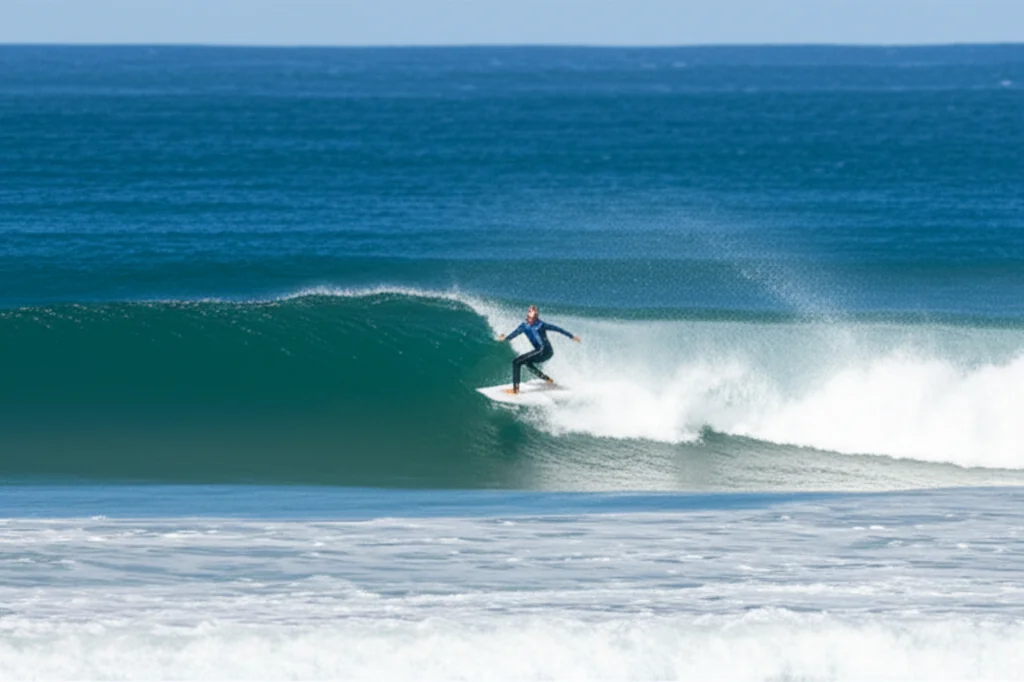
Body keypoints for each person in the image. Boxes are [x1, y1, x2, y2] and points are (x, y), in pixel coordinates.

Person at [498, 305, 580, 394]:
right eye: (529, 310)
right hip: (540, 351)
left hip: (546, 351)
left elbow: (557, 329)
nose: (531, 310)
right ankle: (547, 379)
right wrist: (505, 338)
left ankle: (515, 390)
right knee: (526, 362)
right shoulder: (523, 326)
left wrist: (571, 336)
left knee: (516, 362)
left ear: (536, 314)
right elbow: (512, 335)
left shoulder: (541, 324)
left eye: (533, 310)